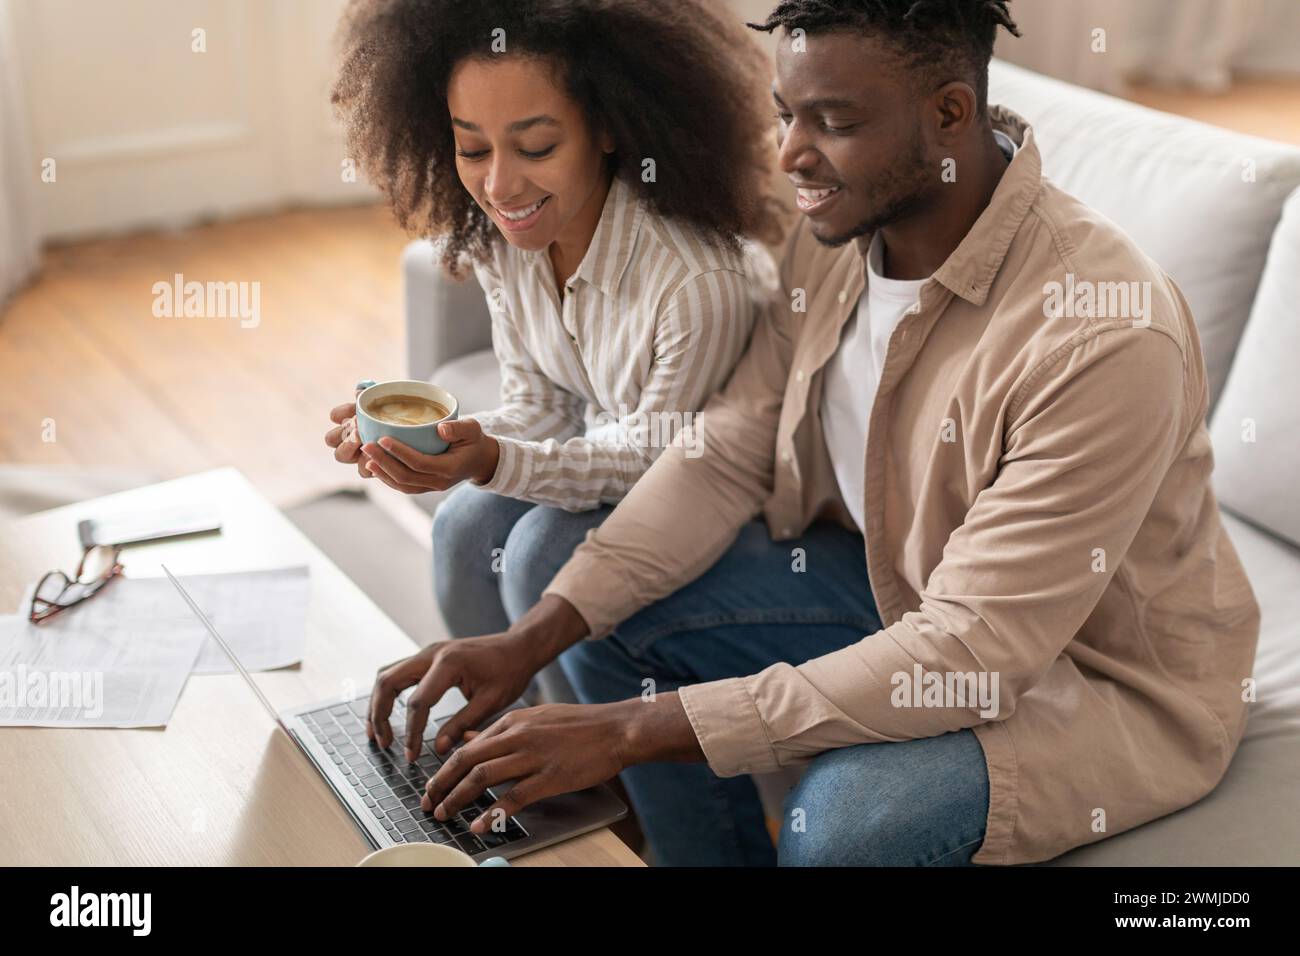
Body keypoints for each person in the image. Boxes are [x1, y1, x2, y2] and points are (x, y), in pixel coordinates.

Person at [367, 0, 1261, 867]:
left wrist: (630, 731)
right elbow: (727, 451)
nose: (790, 155)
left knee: (844, 825)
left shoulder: (1100, 335)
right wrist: (532, 640)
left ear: (950, 113)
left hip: (1074, 677)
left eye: (832, 122)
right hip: (888, 585)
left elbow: (974, 651)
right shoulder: (836, 233)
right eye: (786, 113)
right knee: (575, 573)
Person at [325, 0, 782, 649]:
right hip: (620, 465)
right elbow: (544, 405)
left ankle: (561, 740)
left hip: (708, 502)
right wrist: (431, 444)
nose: (500, 185)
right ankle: (492, 720)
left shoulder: (698, 283)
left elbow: (656, 464)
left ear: (607, 126)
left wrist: (494, 460)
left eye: (536, 146)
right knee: (462, 527)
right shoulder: (501, 243)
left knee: (540, 552)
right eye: (472, 148)